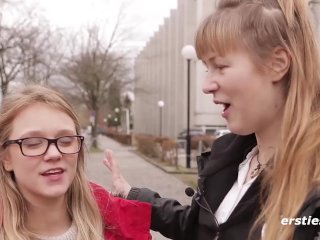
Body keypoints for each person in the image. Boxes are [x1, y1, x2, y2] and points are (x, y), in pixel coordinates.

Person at [104, 0, 320, 239]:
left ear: (277, 64)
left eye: (221, 66)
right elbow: (198, 227)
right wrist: (133, 194)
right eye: (208, 69)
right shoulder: (227, 157)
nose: (207, 86)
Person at [0, 85, 152, 240]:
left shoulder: (121, 231)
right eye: (33, 143)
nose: (54, 154)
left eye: (66, 140)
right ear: (6, 158)